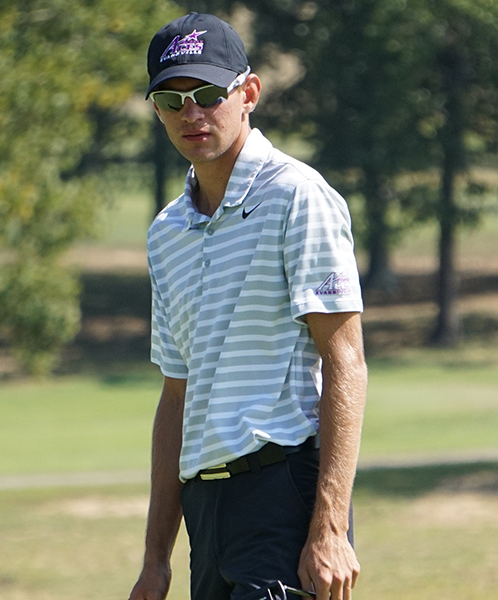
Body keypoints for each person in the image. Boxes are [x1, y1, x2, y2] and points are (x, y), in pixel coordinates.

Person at [129, 12, 368, 600]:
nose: (192, 112)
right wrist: (155, 559)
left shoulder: (297, 197)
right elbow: (176, 395)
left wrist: (331, 528)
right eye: (172, 98)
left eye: (209, 94)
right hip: (206, 512)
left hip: (283, 495)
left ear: (249, 93)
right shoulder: (167, 231)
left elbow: (345, 360)